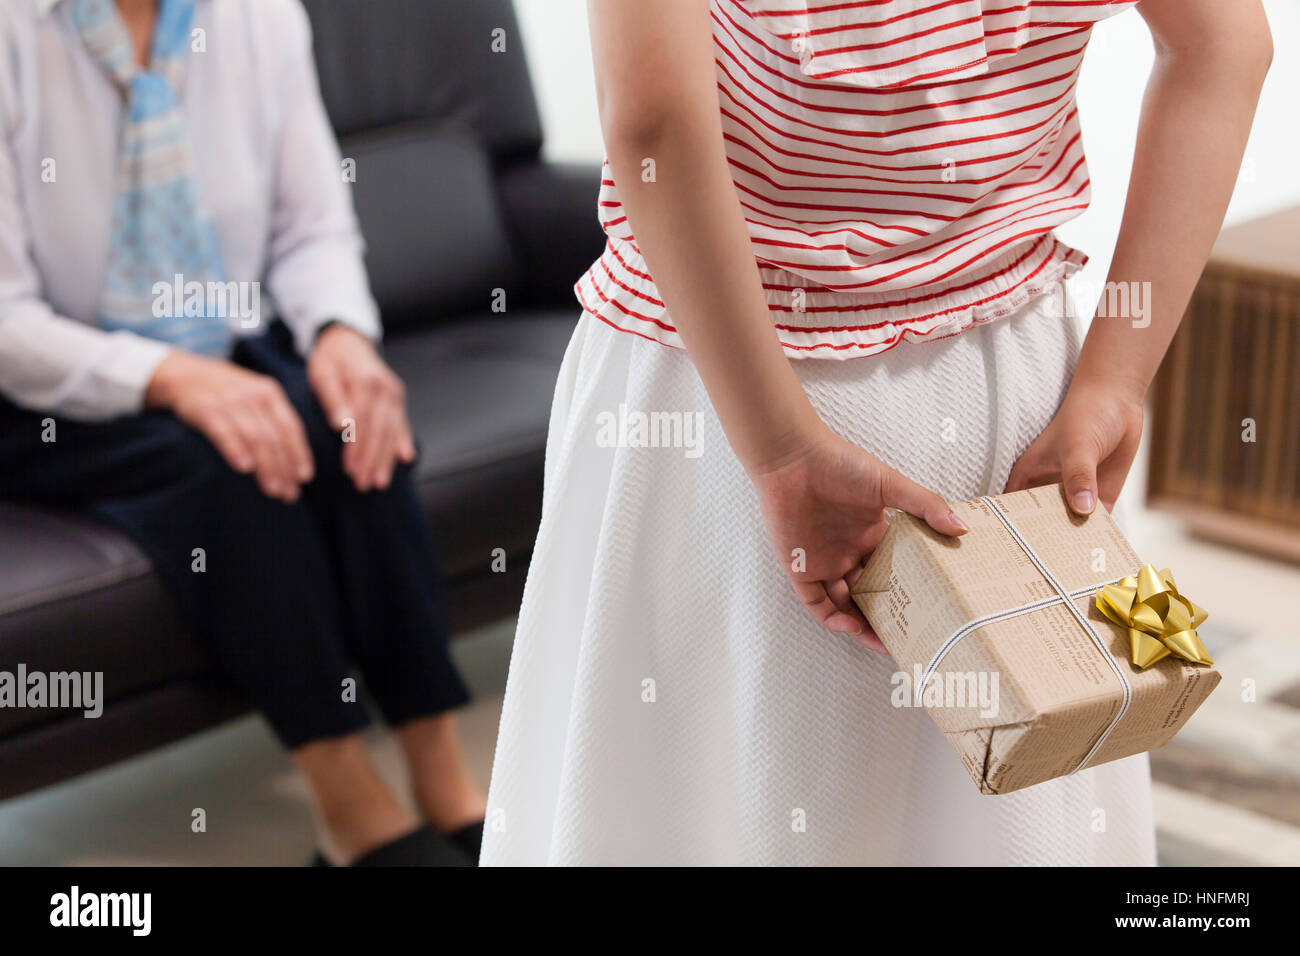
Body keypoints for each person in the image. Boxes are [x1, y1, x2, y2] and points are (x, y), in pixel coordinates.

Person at [482, 0, 1270, 864]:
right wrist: (1117, 377)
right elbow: (1227, 46)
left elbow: (656, 126)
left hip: (730, 392)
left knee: (719, 807)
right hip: (1011, 388)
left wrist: (781, 451)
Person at [0, 0, 486, 866]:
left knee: (353, 426)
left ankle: (443, 778)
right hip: (42, 386)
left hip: (219, 341)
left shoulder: (259, 15)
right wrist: (173, 380)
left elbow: (311, 231)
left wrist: (341, 333)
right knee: (230, 461)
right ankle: (350, 809)